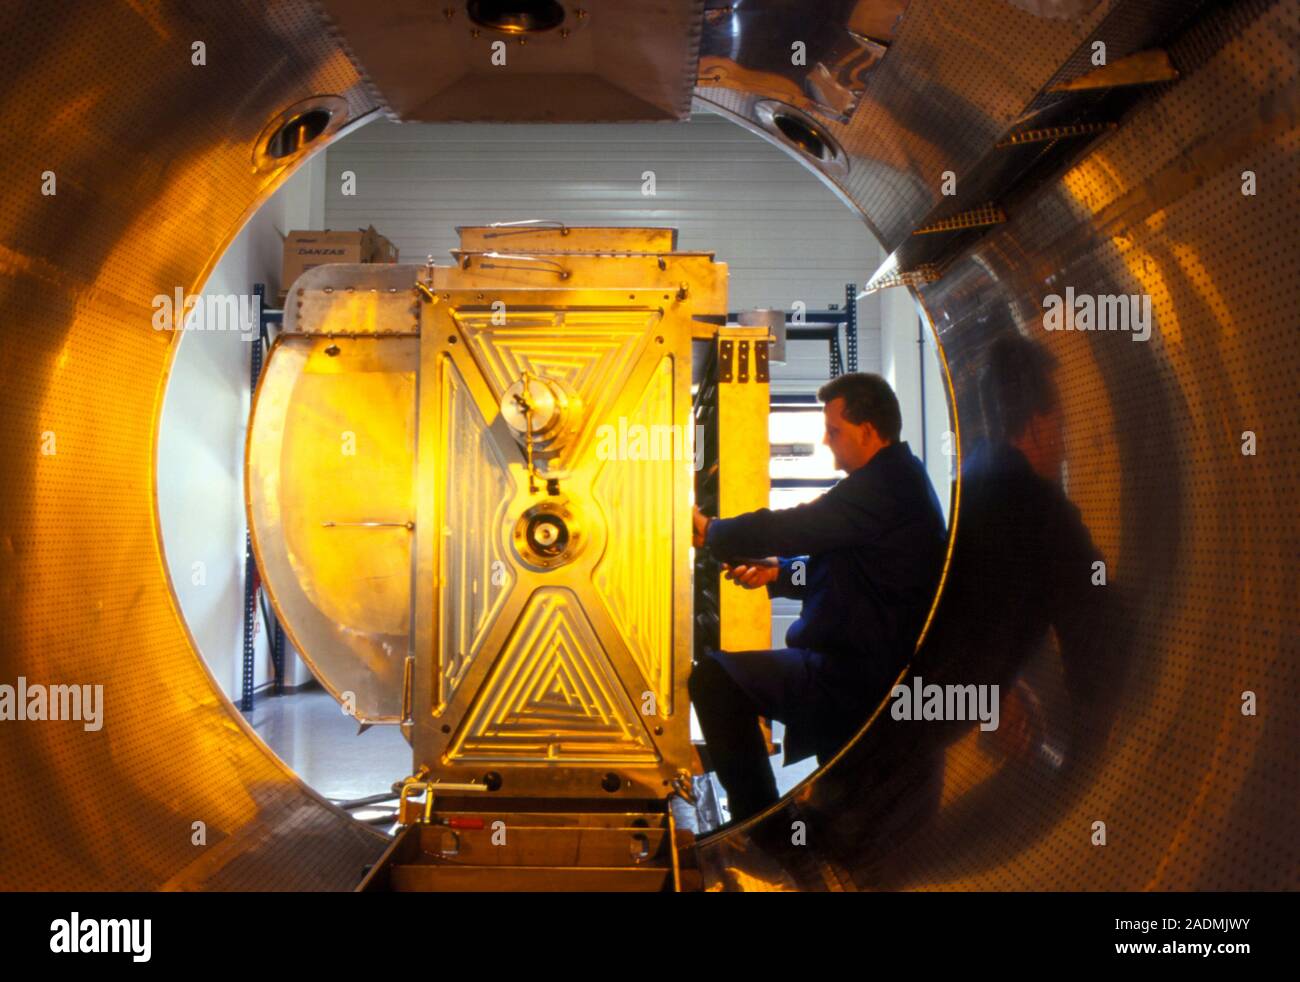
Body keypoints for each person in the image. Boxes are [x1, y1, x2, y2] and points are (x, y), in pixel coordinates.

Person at [688, 372, 947, 826]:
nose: (828, 443)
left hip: (853, 679)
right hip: (847, 671)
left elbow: (797, 526)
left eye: (834, 431)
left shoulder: (887, 484)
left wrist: (715, 532)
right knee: (846, 815)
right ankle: (778, 829)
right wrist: (778, 573)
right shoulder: (892, 482)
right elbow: (841, 571)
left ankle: (761, 826)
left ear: (868, 431)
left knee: (715, 681)